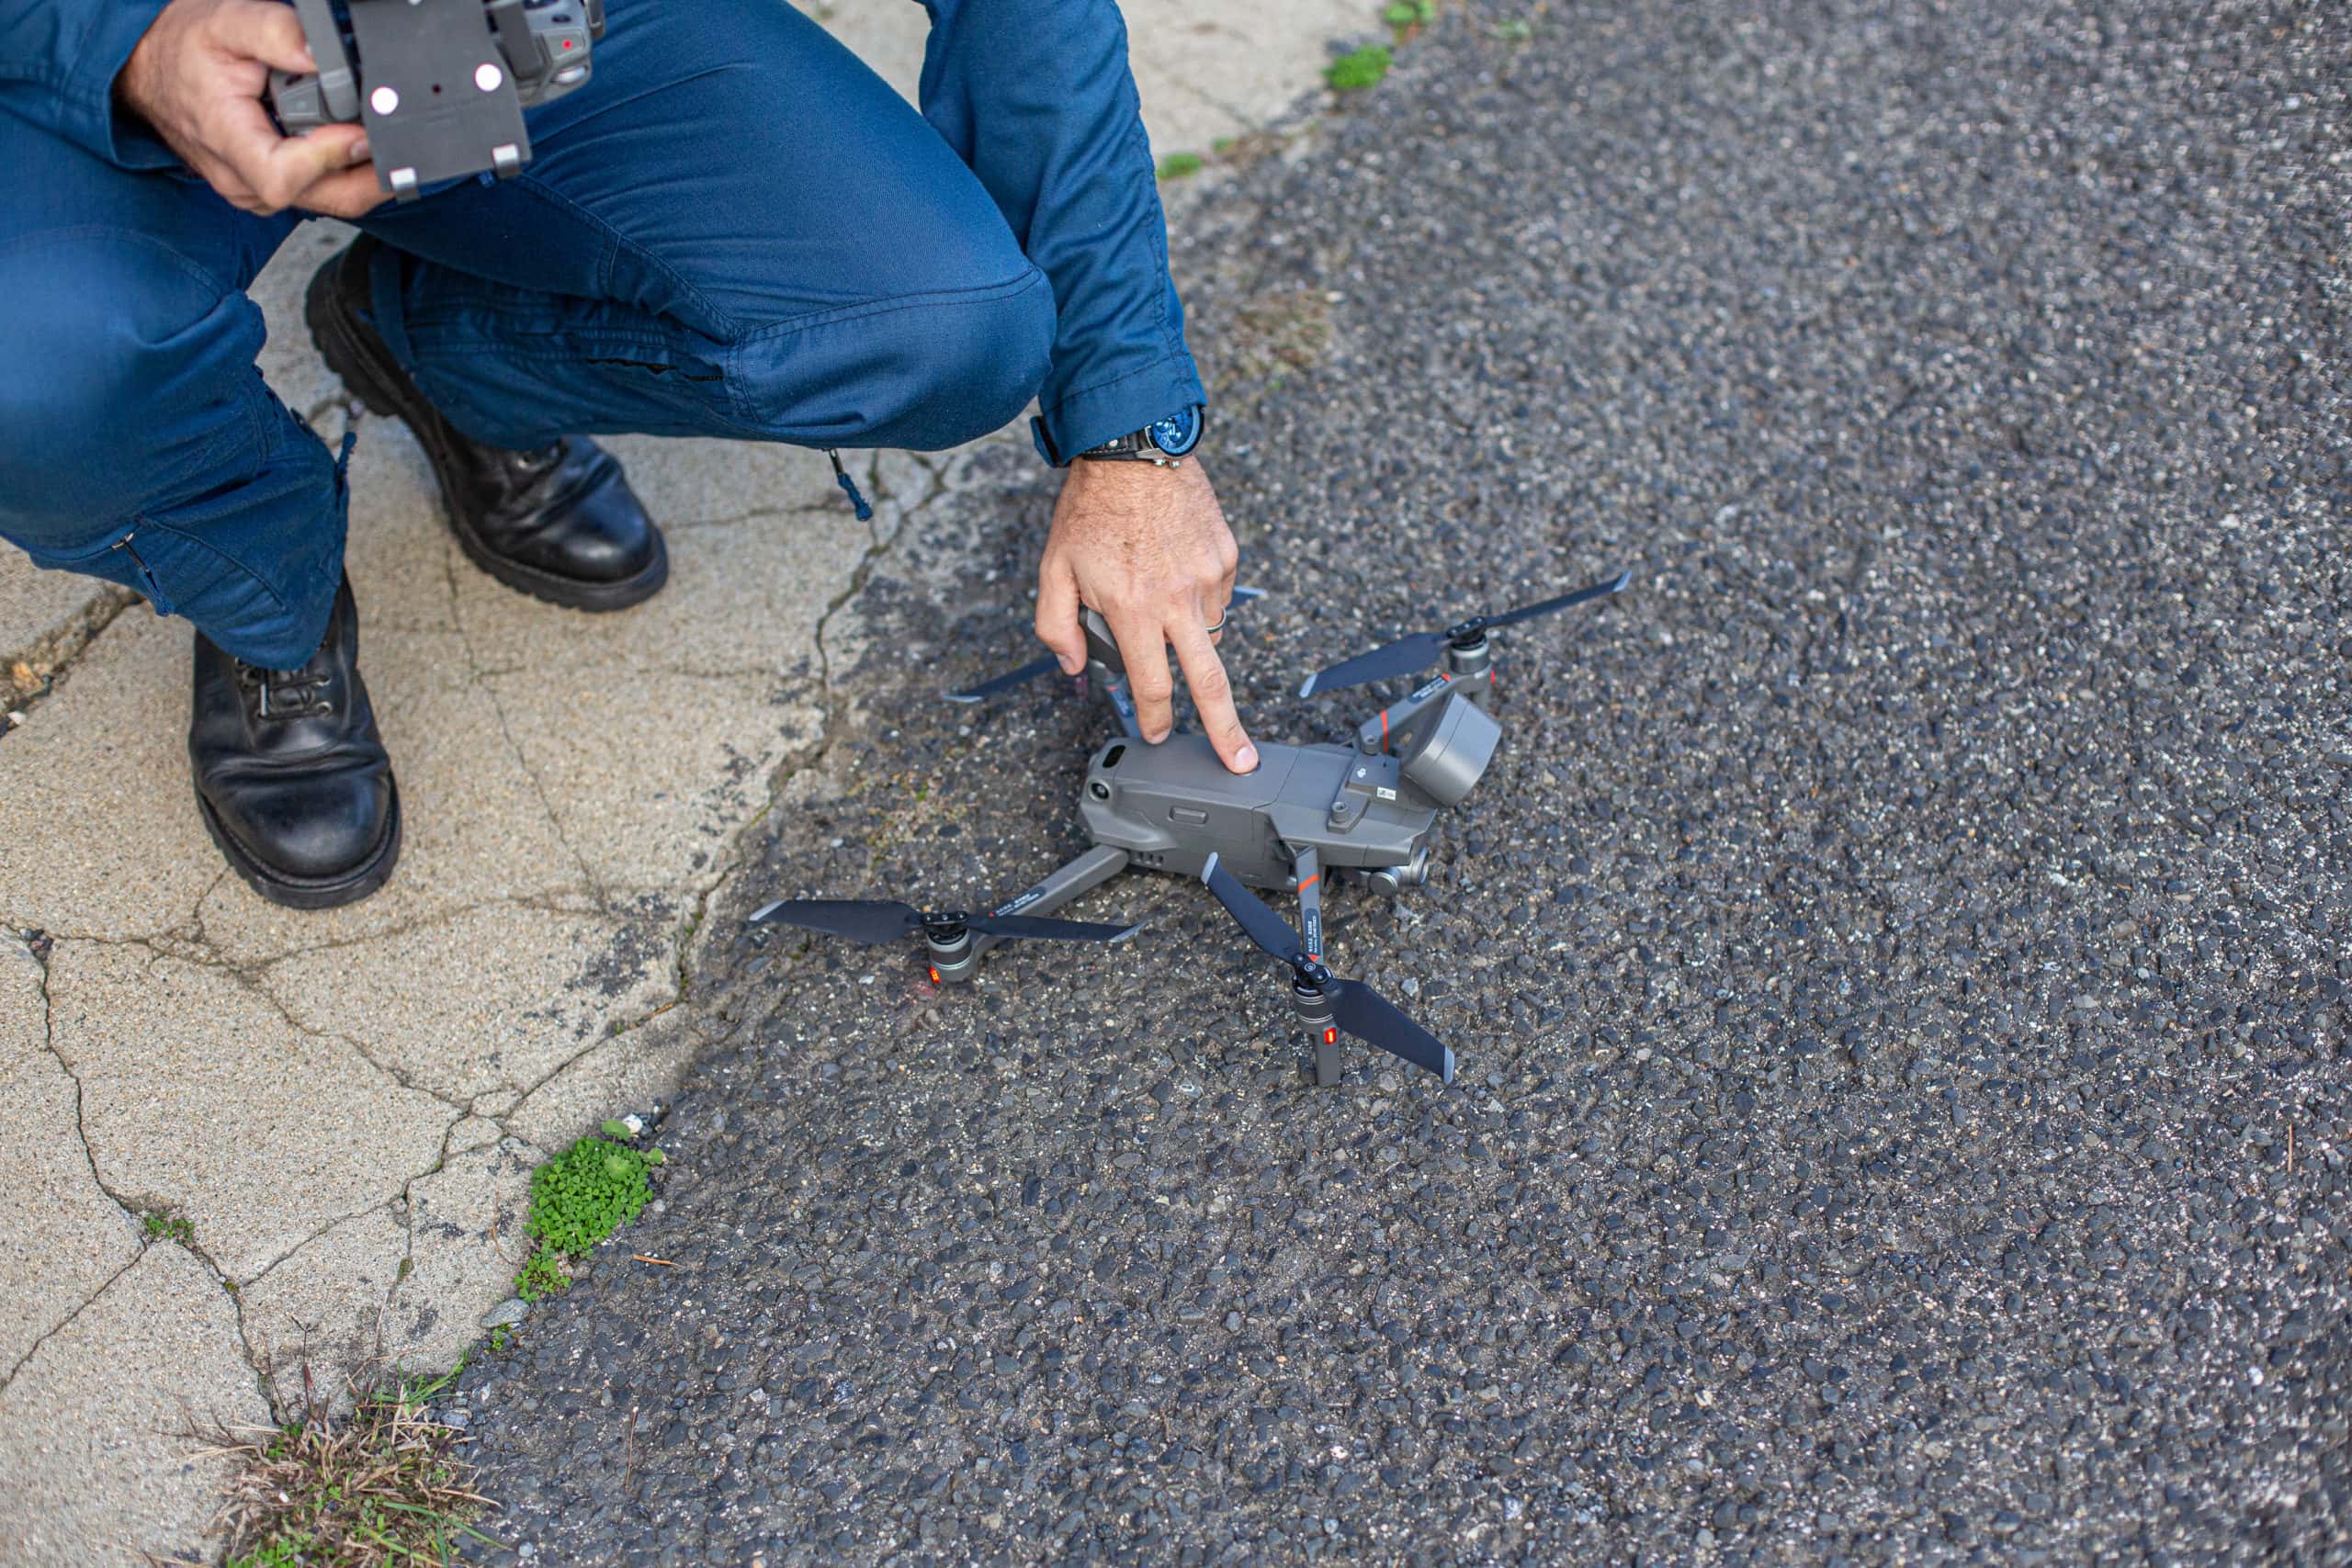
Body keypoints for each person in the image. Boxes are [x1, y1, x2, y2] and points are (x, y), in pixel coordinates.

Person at [0, 0, 1259, 908]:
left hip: (518, 23)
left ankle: (433, 352)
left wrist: (1127, 429)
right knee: (35, 375)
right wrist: (118, 39)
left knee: (943, 328)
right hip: (108, 52)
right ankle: (266, 593)